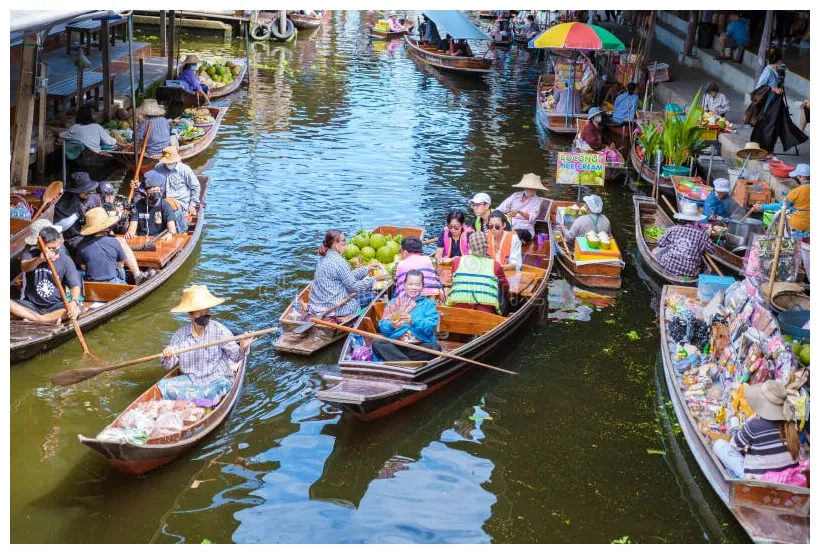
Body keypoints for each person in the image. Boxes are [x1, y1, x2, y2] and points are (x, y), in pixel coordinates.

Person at [159, 285, 253, 404]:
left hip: (217, 379)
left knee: (210, 394)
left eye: (207, 312)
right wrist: (168, 355)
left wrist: (242, 347)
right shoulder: (180, 335)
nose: (205, 315)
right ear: (190, 315)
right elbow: (168, 364)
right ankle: (197, 401)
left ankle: (192, 401)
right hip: (192, 380)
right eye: (201, 313)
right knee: (162, 386)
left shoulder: (219, 330)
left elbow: (236, 357)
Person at [713, 380, 801, 479]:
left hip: (760, 482)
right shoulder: (792, 425)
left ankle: (737, 477)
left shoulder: (754, 425)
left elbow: (734, 445)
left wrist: (746, 425)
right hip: (787, 479)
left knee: (719, 444)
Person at [308, 229, 390, 317]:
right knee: (375, 295)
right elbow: (354, 287)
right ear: (335, 244)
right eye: (343, 241)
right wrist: (375, 279)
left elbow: (347, 276)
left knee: (365, 288)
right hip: (335, 308)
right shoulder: (339, 261)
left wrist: (367, 269)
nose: (346, 243)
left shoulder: (323, 257)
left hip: (318, 304)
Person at [10, 225, 82, 324]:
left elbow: (75, 286)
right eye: (49, 248)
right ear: (40, 245)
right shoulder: (30, 255)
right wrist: (39, 259)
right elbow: (25, 267)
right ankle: (43, 319)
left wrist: (74, 302)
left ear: (59, 244)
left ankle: (37, 319)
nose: (53, 252)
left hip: (55, 306)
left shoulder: (66, 260)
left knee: (76, 310)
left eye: (56, 248)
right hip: (32, 305)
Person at [372, 270, 442, 362]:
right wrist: (391, 325)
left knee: (435, 348)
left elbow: (429, 328)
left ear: (422, 286)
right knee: (377, 343)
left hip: (419, 346)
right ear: (404, 285)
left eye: (417, 285)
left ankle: (399, 362)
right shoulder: (394, 302)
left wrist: (413, 321)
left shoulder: (428, 305)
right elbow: (383, 326)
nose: (413, 287)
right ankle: (408, 363)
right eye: (410, 284)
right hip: (397, 345)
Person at [747, 50, 808, 154]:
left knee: (779, 125)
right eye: (780, 62)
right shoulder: (768, 71)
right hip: (769, 105)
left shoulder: (774, 70)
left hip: (775, 103)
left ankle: (768, 150)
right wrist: (773, 89)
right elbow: (758, 87)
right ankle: (764, 150)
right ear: (778, 61)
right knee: (769, 127)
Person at [77, 207, 156, 285]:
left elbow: (84, 268)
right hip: (113, 282)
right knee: (121, 270)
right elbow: (120, 265)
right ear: (106, 227)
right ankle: (137, 278)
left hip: (92, 284)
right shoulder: (115, 241)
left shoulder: (81, 246)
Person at [447, 232, 509, 314]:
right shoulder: (495, 265)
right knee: (502, 292)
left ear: (469, 246)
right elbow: (506, 287)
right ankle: (501, 315)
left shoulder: (457, 261)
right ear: (486, 247)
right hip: (485, 312)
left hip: (457, 309)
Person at [652, 203, 716, 278]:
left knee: (657, 252)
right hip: (690, 271)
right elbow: (712, 250)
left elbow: (660, 243)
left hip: (669, 265)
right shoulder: (702, 234)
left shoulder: (673, 229)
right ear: (695, 221)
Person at [151, 146, 201, 233]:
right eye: (166, 162)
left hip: (180, 203)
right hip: (161, 201)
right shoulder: (158, 168)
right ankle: (155, 229)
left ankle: (173, 230)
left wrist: (192, 204)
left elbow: (195, 187)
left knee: (167, 204)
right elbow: (151, 184)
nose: (168, 164)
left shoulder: (185, 170)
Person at [53, 171, 103, 255]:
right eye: (84, 190)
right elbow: (58, 227)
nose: (88, 192)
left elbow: (102, 218)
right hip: (75, 238)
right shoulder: (64, 204)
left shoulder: (94, 198)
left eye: (89, 190)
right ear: (75, 191)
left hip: (95, 233)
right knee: (92, 251)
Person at [497, 173, 548, 242]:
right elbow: (500, 209)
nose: (533, 191)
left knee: (516, 233)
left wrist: (519, 212)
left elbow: (532, 218)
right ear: (525, 187)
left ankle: (509, 245)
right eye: (530, 189)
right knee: (497, 228)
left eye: (535, 189)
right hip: (511, 226)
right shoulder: (515, 196)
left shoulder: (538, 200)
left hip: (526, 229)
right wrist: (507, 214)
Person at [758, 164, 810, 232]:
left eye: (797, 176)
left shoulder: (796, 191)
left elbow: (781, 206)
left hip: (799, 225)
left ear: (801, 177)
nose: (796, 178)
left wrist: (762, 207)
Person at [126, 174, 178, 241]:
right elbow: (132, 227)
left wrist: (170, 234)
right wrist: (130, 233)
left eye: (157, 191)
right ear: (145, 192)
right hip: (142, 240)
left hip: (160, 240)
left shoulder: (165, 205)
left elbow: (172, 229)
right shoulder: (138, 205)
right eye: (152, 191)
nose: (155, 193)